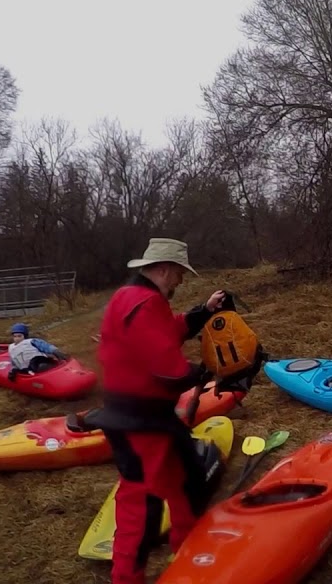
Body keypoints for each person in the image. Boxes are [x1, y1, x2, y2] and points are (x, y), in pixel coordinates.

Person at [86, 238, 227, 584]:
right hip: (139, 421)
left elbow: (169, 330)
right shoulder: (144, 304)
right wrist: (204, 371)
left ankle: (188, 551)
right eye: (179, 273)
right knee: (142, 505)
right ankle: (127, 578)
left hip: (149, 417)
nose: (180, 280)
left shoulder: (135, 298)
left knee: (187, 480)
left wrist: (204, 311)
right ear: (164, 269)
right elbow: (169, 372)